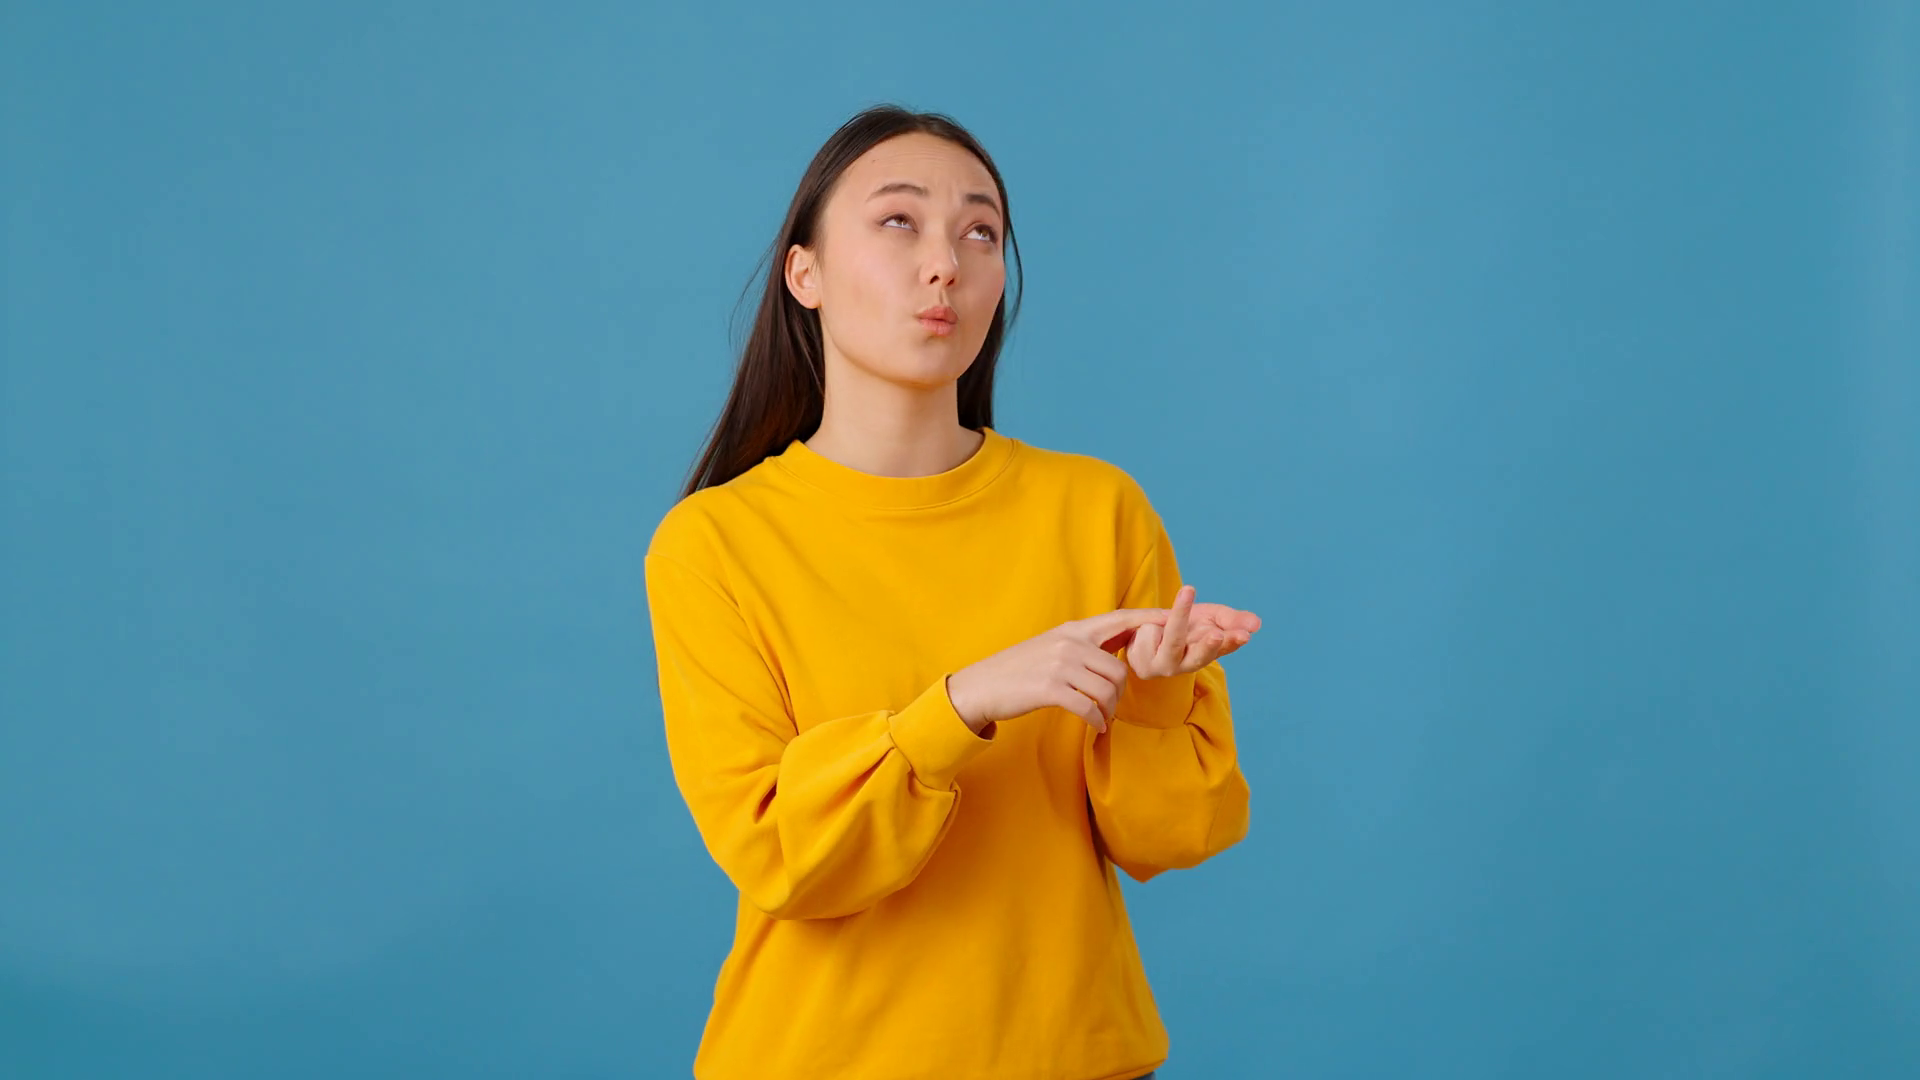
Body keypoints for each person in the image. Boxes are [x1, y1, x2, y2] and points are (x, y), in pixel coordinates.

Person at [645, 103, 1261, 1080]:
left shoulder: (1099, 510)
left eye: (982, 234)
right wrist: (965, 704)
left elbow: (1175, 837)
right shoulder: (716, 543)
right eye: (900, 222)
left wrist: (1146, 694)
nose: (948, 264)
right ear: (803, 273)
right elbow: (779, 855)